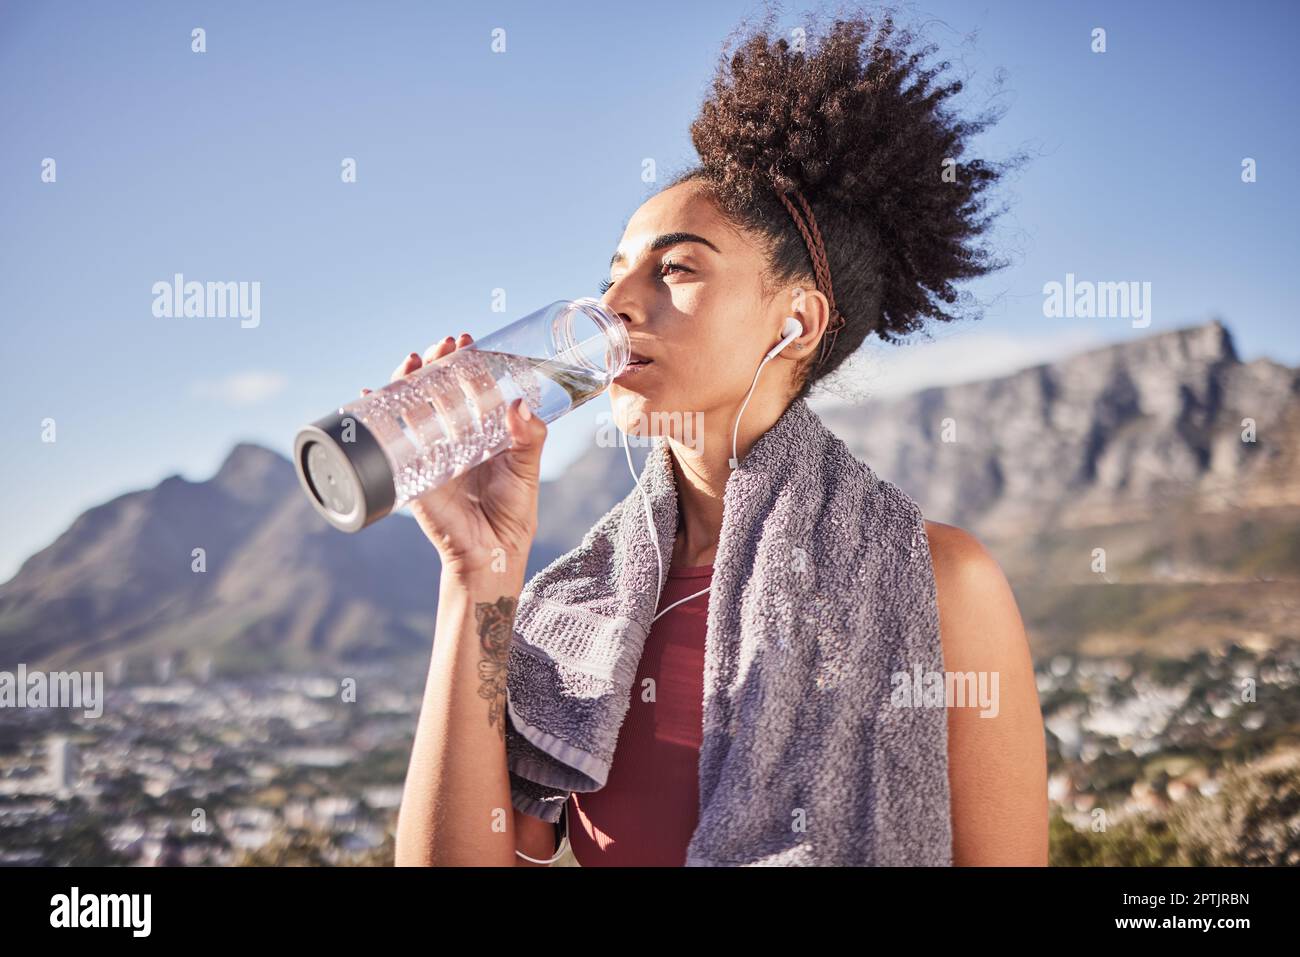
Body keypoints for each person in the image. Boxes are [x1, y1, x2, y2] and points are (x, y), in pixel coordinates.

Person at [386, 8, 1047, 866]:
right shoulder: (573, 609)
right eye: (613, 273)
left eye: (677, 267)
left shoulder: (943, 584)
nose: (615, 305)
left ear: (797, 322)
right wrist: (475, 572)